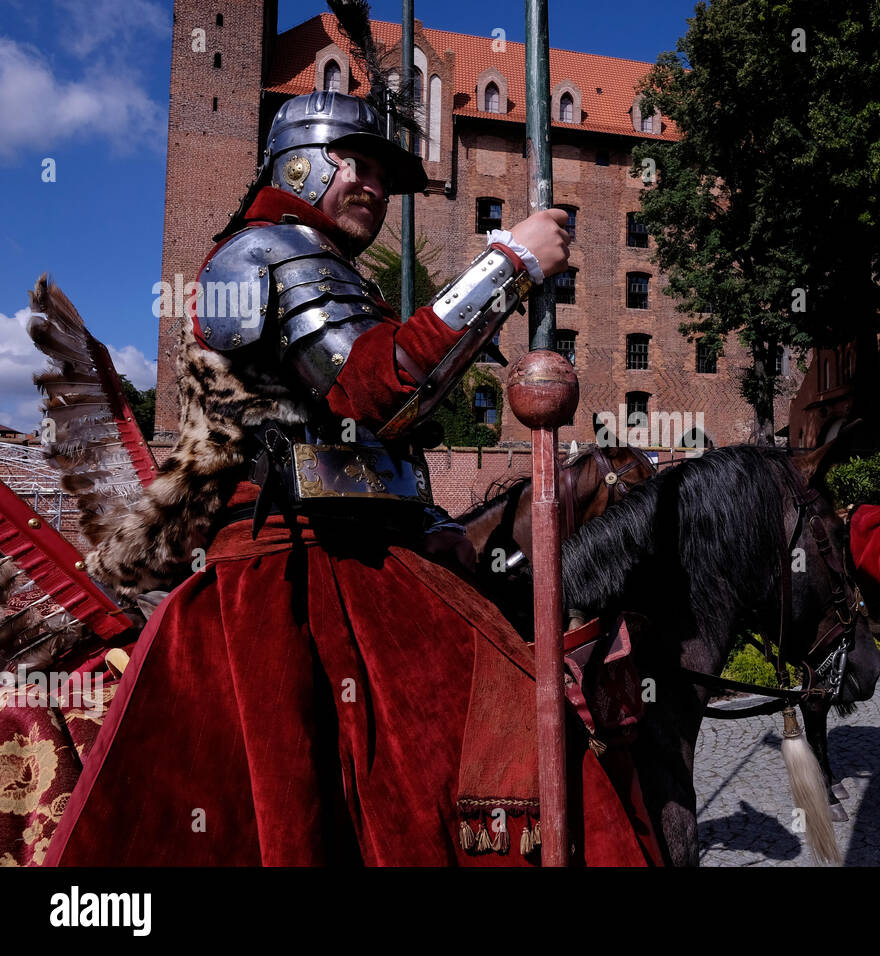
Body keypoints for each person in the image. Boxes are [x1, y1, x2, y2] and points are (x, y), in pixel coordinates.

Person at [43, 91, 657, 866]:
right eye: (355, 162)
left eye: (382, 171)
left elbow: (387, 424)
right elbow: (373, 385)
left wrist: (428, 523)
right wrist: (510, 262)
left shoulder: (325, 263)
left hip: (360, 542)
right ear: (296, 162)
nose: (373, 183)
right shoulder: (266, 252)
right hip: (296, 561)